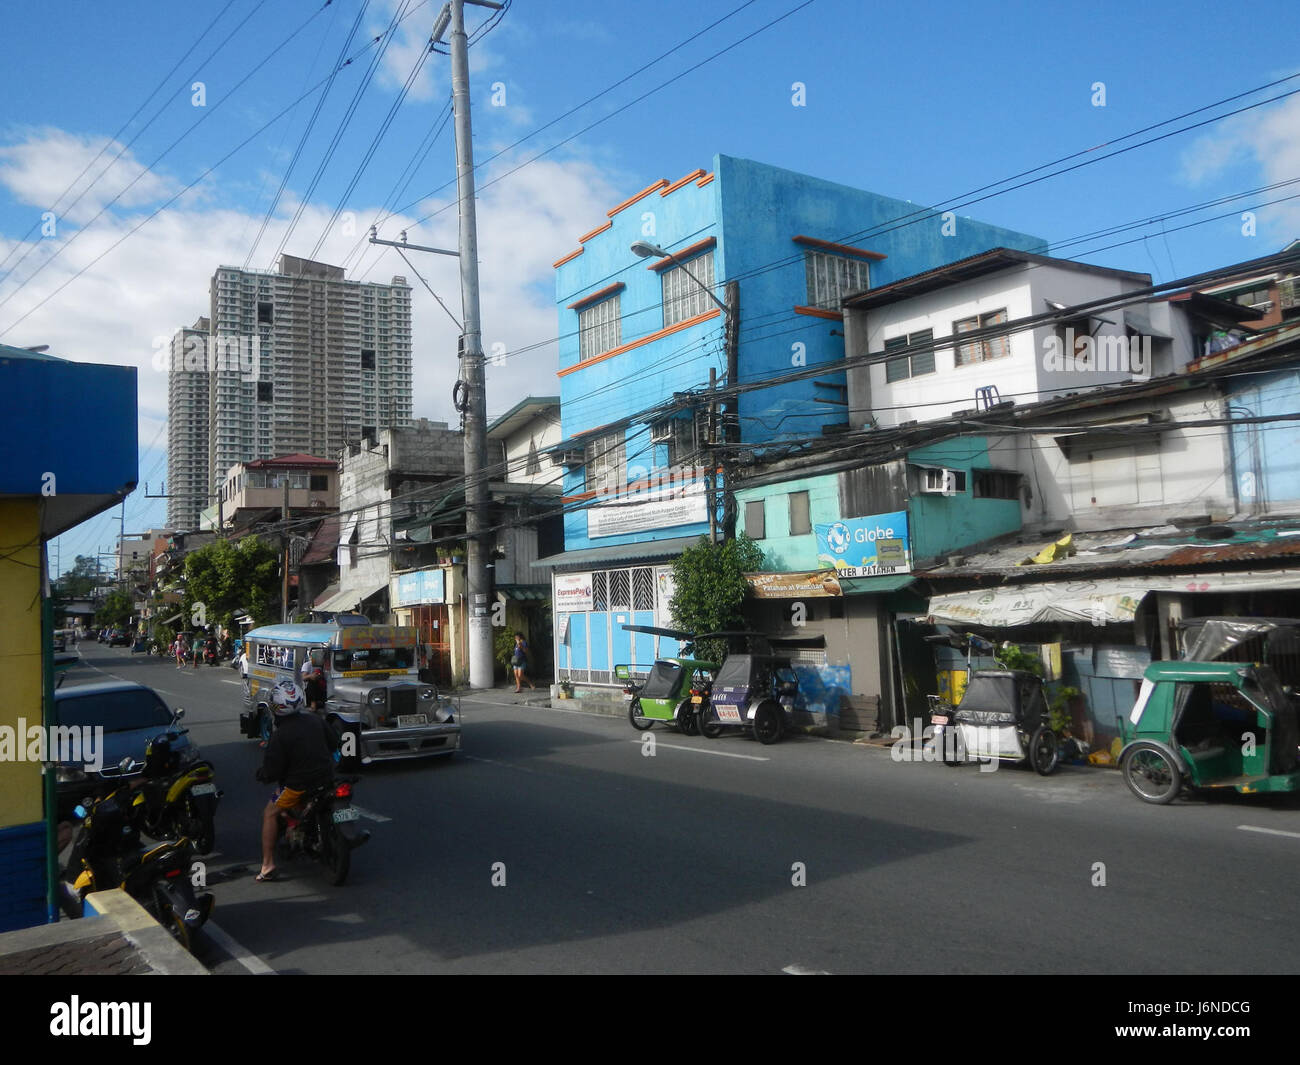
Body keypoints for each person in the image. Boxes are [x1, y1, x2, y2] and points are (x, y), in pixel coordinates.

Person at [254, 681, 337, 882]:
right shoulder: (316, 720)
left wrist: (262, 774)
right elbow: (334, 743)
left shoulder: (279, 735)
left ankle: (267, 865)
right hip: (327, 779)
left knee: (269, 813)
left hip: (297, 787)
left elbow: (272, 771)